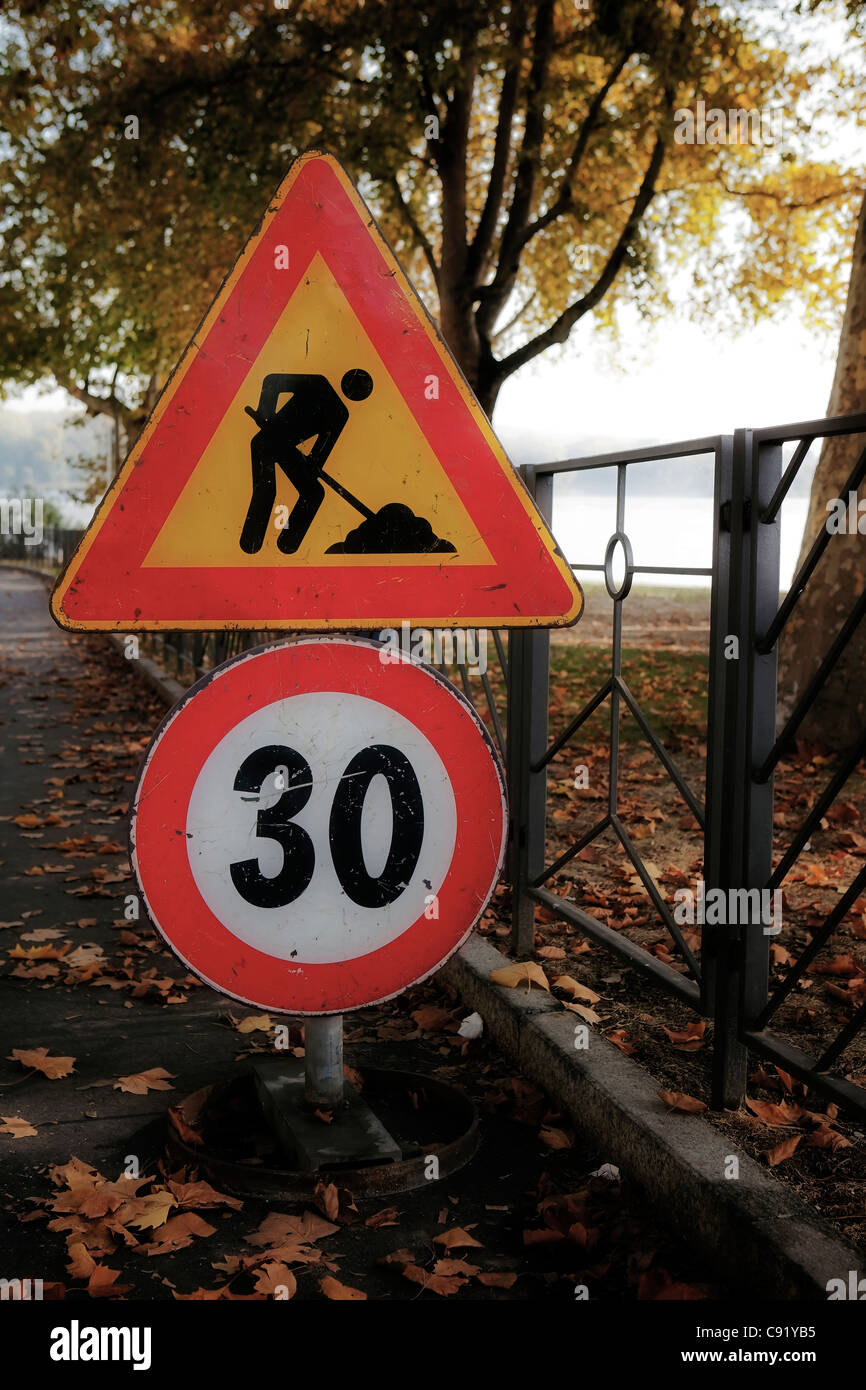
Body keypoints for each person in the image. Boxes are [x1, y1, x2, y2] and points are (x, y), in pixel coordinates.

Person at [239, 368, 373, 555]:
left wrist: (313, 464)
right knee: (266, 488)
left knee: (313, 493)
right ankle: (251, 541)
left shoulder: (340, 414)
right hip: (266, 442)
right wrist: (265, 412)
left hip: (286, 448)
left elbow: (322, 449)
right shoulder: (318, 384)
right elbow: (272, 381)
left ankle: (288, 542)